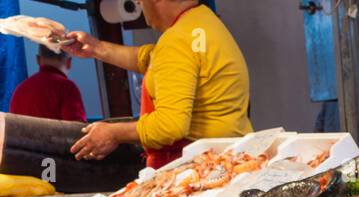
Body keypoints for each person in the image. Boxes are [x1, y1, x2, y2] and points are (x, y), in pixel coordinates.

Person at [62, 0, 251, 167]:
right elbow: (152, 60)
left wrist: (113, 133)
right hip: (231, 155)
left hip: (201, 165)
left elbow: (170, 126)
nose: (138, 3)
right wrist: (96, 47)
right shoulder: (201, 23)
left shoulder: (177, 40)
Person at [8, 45, 86, 122]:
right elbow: (77, 129)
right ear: (69, 62)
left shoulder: (20, 89)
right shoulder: (67, 88)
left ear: (38, 60)